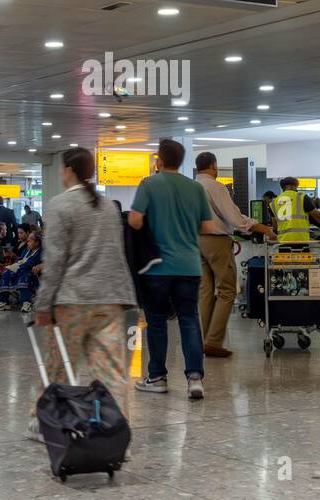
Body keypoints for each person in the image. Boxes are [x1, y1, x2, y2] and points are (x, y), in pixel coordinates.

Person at [31, 148, 136, 440]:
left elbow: (55, 260)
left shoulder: (59, 205)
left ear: (68, 170)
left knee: (59, 366)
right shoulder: (108, 206)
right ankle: (116, 431)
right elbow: (115, 253)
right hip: (110, 300)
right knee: (111, 371)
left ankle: (45, 422)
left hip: (72, 301)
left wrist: (43, 304)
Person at [128, 139, 214, 399]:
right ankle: (195, 378)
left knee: (156, 321)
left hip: (157, 267)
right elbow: (208, 227)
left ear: (160, 159)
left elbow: (134, 220)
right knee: (189, 319)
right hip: (189, 265)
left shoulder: (149, 184)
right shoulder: (195, 187)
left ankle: (157, 377)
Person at [194, 151, 275, 358]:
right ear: (213, 166)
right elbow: (235, 218)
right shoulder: (216, 186)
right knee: (227, 290)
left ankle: (202, 340)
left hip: (195, 242)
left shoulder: (191, 187)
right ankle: (213, 341)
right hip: (217, 242)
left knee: (205, 292)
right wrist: (262, 228)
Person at [0, 229, 42, 312]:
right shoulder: (26, 250)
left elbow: (32, 263)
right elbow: (20, 259)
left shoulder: (40, 252)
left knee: (23, 276)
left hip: (30, 271)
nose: (27, 242)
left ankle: (26, 302)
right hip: (20, 268)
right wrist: (14, 266)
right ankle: (4, 302)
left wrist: (19, 266)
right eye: (28, 241)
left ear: (37, 243)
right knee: (5, 274)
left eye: (30, 241)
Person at [272, 177, 320, 242]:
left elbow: (275, 227)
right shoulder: (302, 197)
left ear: (283, 187)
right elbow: (318, 216)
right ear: (295, 186)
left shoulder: (274, 202)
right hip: (301, 239)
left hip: (283, 241)